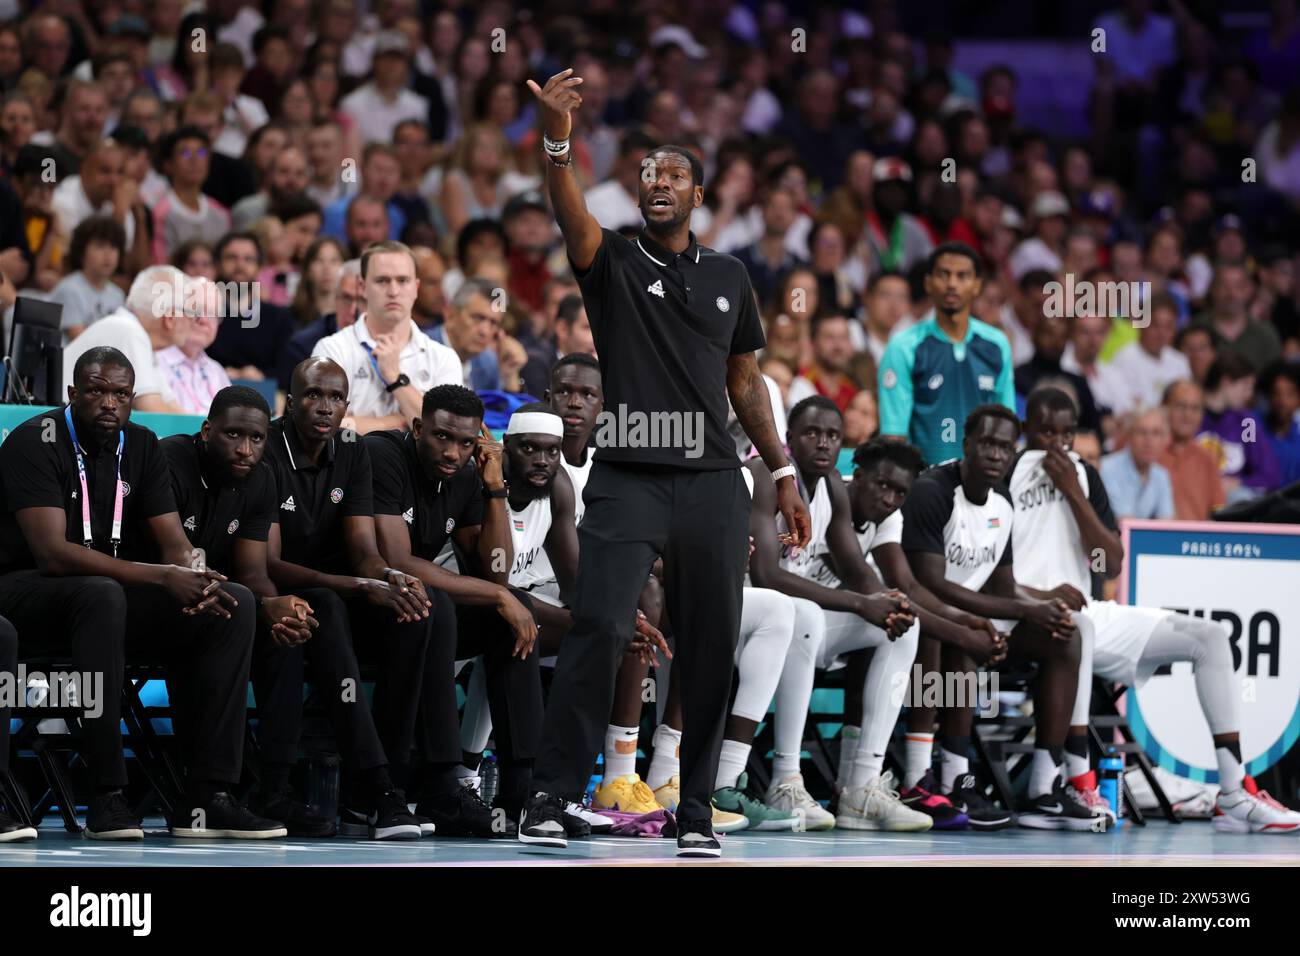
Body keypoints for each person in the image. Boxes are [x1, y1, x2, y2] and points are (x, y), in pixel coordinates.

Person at [517, 69, 809, 858]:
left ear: (698, 194)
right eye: (649, 174)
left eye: (674, 175)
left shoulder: (730, 276)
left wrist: (781, 473)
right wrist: (558, 141)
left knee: (712, 641)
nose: (659, 183)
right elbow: (569, 213)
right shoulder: (609, 260)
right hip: (631, 474)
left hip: (715, 481)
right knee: (603, 624)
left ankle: (696, 808)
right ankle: (551, 795)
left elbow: (744, 383)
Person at [0, 348, 284, 840]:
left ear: (133, 399)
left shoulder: (142, 444)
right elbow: (52, 555)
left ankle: (208, 797)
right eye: (96, 391)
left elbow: (176, 544)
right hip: (25, 591)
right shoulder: (35, 440)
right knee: (101, 593)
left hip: (104, 595)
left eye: (120, 393)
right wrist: (159, 576)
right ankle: (107, 795)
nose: (109, 402)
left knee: (231, 605)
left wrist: (202, 579)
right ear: (72, 395)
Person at [1014, 387, 1300, 834]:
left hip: (1088, 611)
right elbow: (988, 571)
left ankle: (1232, 793)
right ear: (1025, 430)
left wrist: (1074, 493)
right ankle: (1073, 781)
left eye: (1065, 434)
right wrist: (1036, 597)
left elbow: (1109, 562)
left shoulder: (1084, 477)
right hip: (1024, 616)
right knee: (1079, 627)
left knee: (1210, 638)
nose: (1056, 444)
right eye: (1045, 432)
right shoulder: (1004, 475)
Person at [258, 358, 435, 840]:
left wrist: (390, 578)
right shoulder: (265, 448)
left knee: (416, 613)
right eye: (314, 395)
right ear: (290, 402)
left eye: (336, 398)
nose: (325, 407)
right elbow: (268, 563)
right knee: (328, 606)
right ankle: (375, 786)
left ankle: (390, 784)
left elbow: (363, 551)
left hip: (337, 587)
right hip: (275, 591)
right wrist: (358, 585)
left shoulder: (352, 451)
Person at [903, 403, 1096, 830]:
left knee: (1066, 634)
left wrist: (1041, 607)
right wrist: (1020, 609)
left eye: (1005, 447)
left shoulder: (1003, 501)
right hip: (925, 614)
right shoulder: (932, 490)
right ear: (967, 443)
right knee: (963, 636)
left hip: (975, 616)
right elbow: (931, 584)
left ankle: (1044, 786)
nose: (995, 454)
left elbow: (1003, 587)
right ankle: (953, 777)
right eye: (987, 443)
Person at [746, 399, 934, 831]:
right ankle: (785, 779)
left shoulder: (832, 484)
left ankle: (862, 789)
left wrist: (886, 604)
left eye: (832, 435)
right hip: (755, 621)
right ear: (788, 440)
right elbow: (767, 574)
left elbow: (858, 572)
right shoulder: (767, 479)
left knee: (903, 629)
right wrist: (860, 603)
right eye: (812, 433)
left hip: (805, 629)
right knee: (806, 614)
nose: (823, 442)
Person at [367, 384, 543, 830]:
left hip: (418, 607)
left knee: (510, 613)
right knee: (444, 605)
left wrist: (495, 487)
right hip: (364, 601)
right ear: (418, 427)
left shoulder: (466, 474)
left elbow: (496, 572)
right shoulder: (383, 455)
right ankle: (441, 785)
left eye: (466, 443)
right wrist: (499, 594)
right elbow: (397, 560)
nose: (453, 452)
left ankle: (520, 792)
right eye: (442, 437)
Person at [879, 241, 1016, 465]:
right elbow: (894, 437)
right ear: (928, 283)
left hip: (983, 483)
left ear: (977, 286)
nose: (952, 284)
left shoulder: (997, 344)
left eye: (962, 276)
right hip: (924, 482)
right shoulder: (904, 345)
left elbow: (1006, 424)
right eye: (944, 274)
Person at [311, 240, 462, 433]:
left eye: (403, 280)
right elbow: (321, 425)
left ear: (416, 287)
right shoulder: (331, 350)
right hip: (351, 463)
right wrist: (397, 422)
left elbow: (447, 433)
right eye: (382, 280)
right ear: (362, 286)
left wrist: (396, 379)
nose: (393, 291)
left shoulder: (444, 358)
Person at [61, 265, 193, 413]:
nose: (194, 322)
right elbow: (154, 411)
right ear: (171, 317)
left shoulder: (139, 335)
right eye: (190, 313)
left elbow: (173, 408)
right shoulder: (128, 330)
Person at [1197, 352, 1281, 501]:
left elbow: (1269, 474)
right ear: (1226, 382)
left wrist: (1239, 482)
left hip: (1232, 500)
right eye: (1246, 386)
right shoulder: (1191, 414)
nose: (1249, 395)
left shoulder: (1246, 422)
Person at [1110, 294, 1192, 410]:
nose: (1161, 333)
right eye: (1155, 325)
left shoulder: (1180, 361)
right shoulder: (1123, 359)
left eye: (1168, 327)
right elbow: (1123, 406)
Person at [51, 215, 126, 340]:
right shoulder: (69, 290)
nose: (108, 254)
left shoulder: (118, 295)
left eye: (113, 247)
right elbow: (79, 339)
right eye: (100, 245)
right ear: (81, 251)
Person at [1159, 380, 1225, 519]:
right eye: (1181, 407)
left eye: (1195, 408)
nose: (1188, 416)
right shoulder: (1148, 452)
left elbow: (1217, 515)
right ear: (1164, 409)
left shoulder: (1207, 459)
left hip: (1195, 540)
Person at [1100, 408, 1176, 520]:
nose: (1148, 440)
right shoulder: (1107, 468)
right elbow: (1124, 523)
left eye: (1156, 433)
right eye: (1142, 432)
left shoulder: (1162, 475)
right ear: (1129, 437)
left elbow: (1167, 523)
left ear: (1165, 440)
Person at [428, 277, 501, 390]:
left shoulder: (488, 363)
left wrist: (511, 377)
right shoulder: (421, 352)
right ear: (450, 314)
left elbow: (497, 407)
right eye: (478, 318)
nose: (485, 331)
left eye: (493, 322)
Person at [1263, 362, 1300, 487]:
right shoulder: (1252, 429)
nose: (1282, 401)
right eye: (1276, 394)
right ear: (1268, 397)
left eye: (1290, 394)